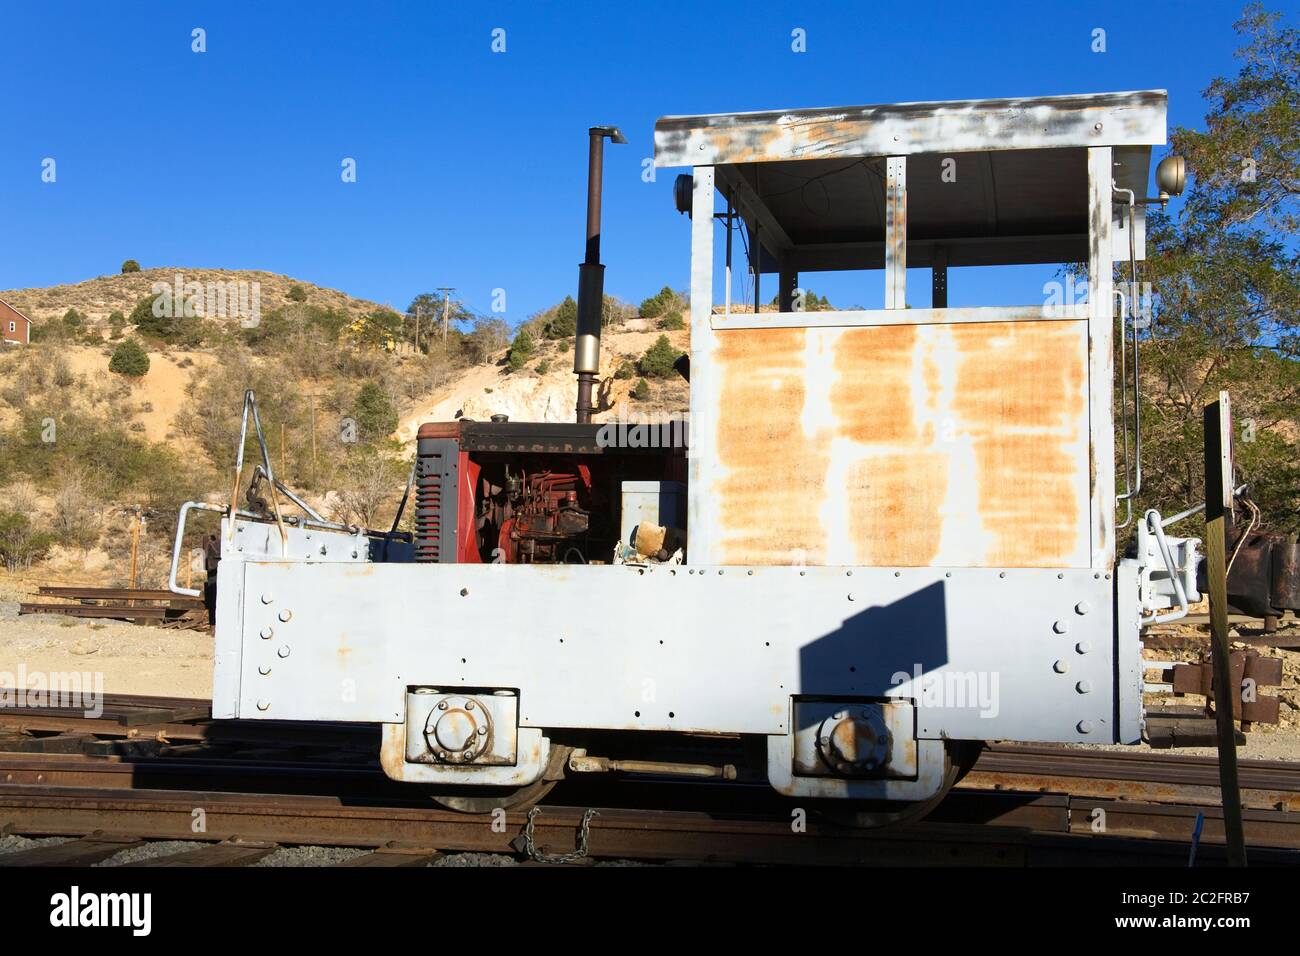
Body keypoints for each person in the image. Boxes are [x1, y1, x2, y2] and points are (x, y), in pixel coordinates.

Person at [203, 533, 221, 630]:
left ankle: (213, 626)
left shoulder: (209, 544)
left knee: (214, 596)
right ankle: (213, 626)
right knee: (214, 596)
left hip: (213, 570)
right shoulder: (212, 544)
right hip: (213, 571)